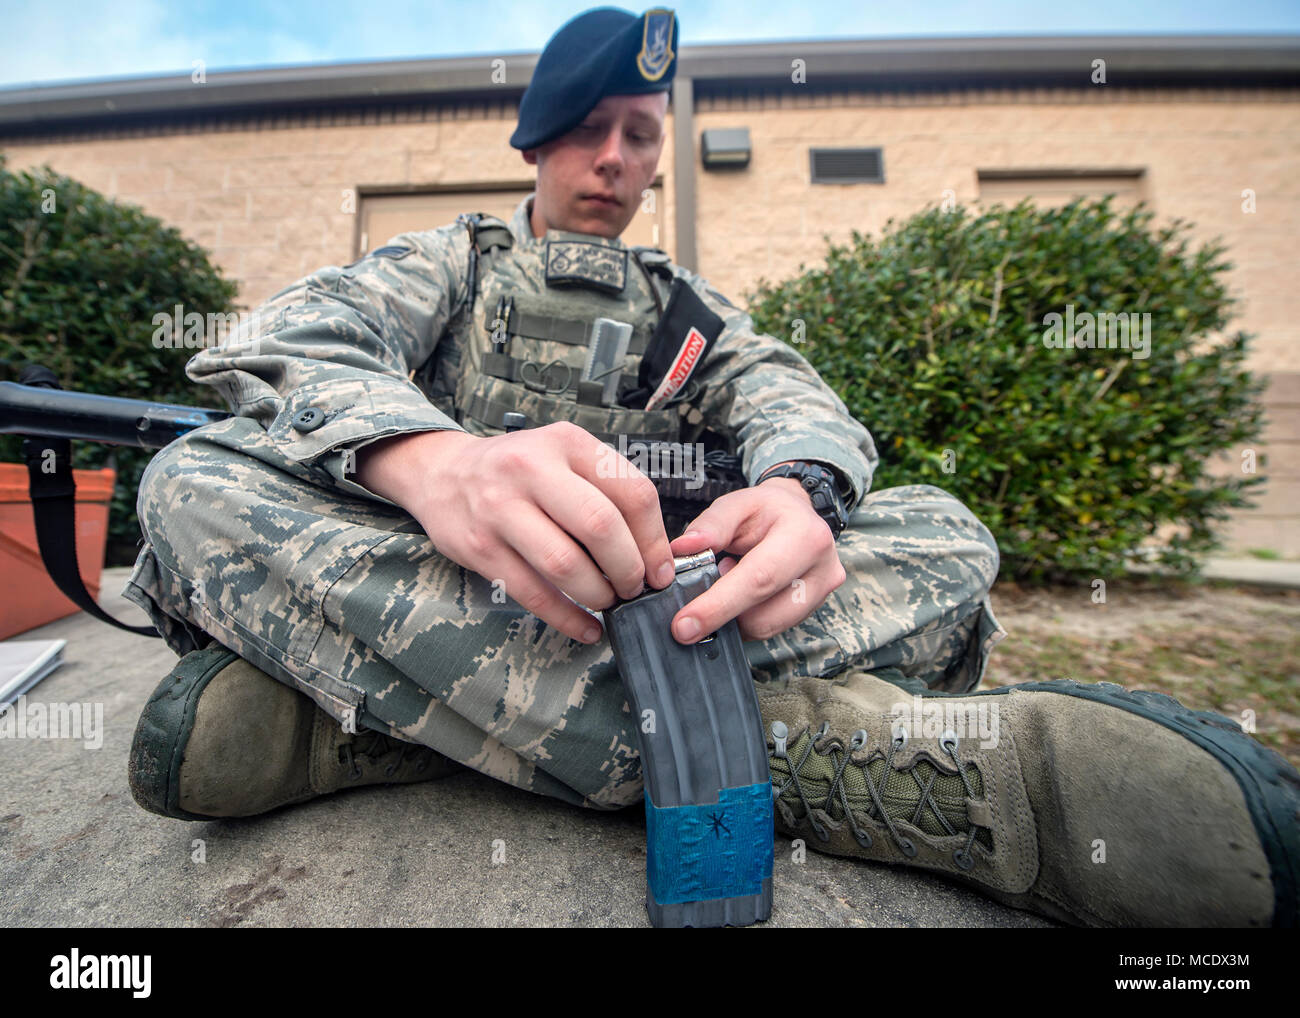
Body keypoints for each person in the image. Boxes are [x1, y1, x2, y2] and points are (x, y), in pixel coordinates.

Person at [122, 7, 1299, 927]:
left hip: (664, 605)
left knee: (943, 527)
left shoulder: (683, 305)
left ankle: (377, 725)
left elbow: (796, 400)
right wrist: (430, 462)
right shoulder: (451, 263)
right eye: (588, 125)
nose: (615, 157)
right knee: (191, 479)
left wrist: (800, 492)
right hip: (441, 570)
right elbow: (283, 341)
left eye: (640, 134)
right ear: (533, 137)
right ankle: (806, 755)